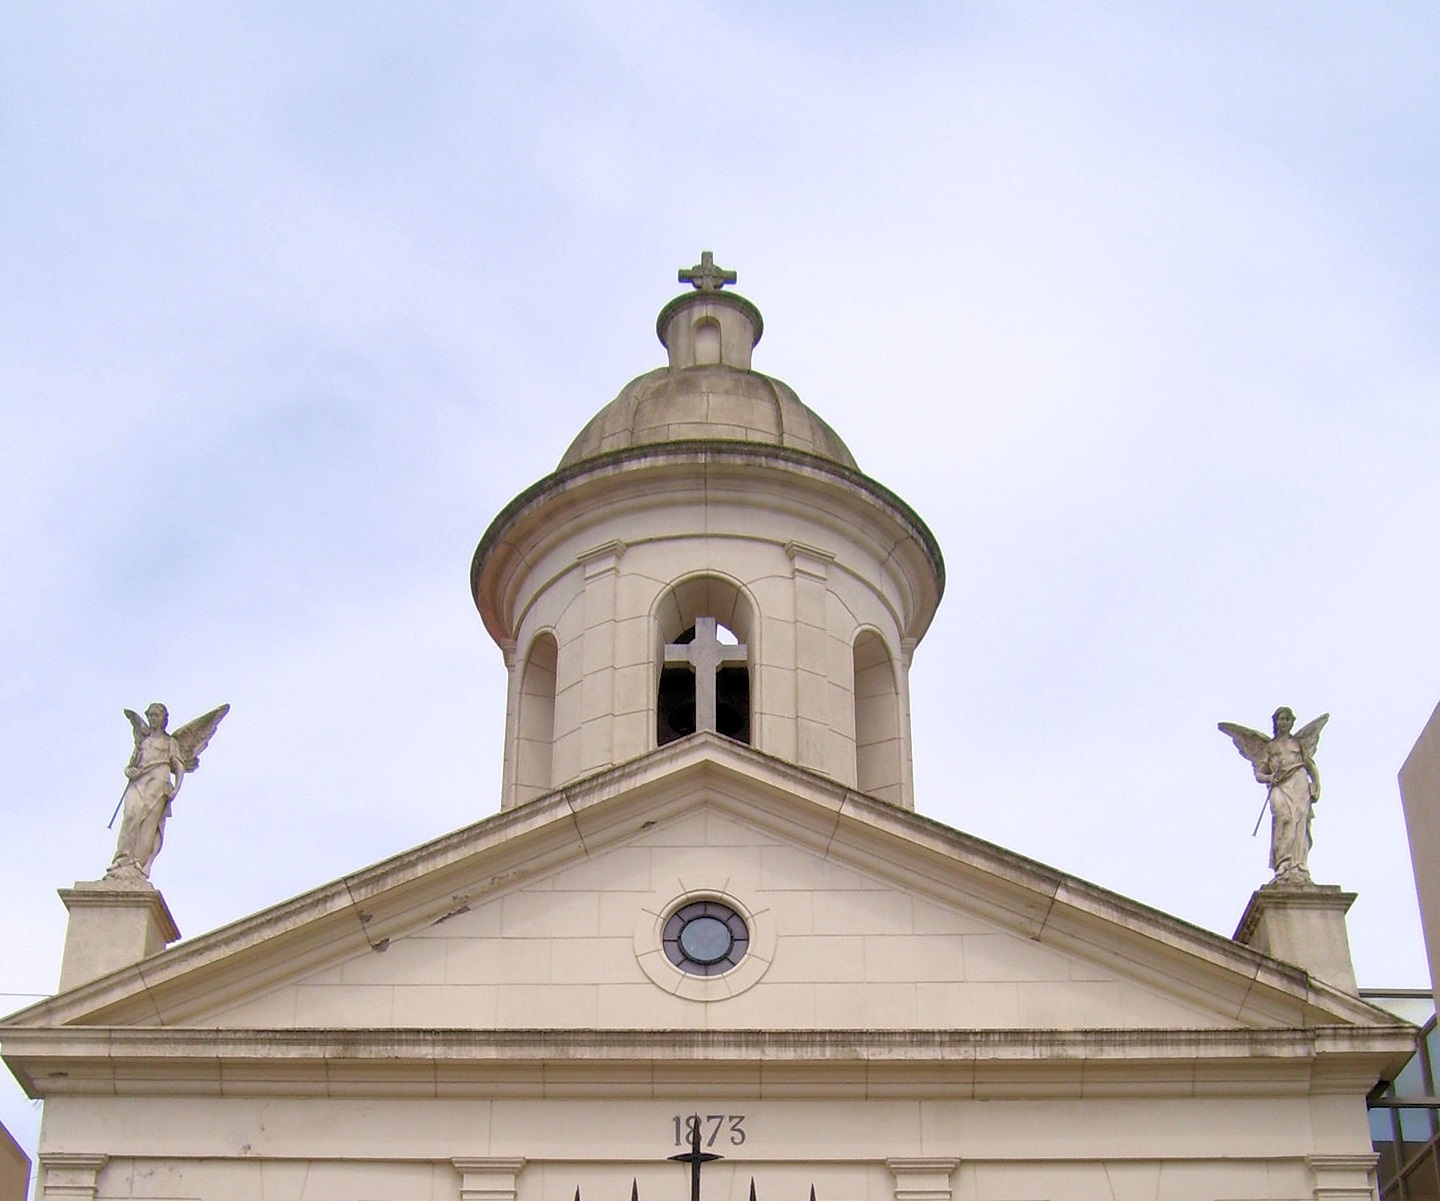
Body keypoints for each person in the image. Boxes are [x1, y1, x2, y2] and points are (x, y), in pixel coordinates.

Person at [1218, 706, 1329, 884]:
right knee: (1283, 818)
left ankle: (1298, 866)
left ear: (1292, 722)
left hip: (1299, 782)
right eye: (1280, 719)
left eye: (1287, 719)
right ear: (1275, 722)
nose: (1283, 722)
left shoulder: (1297, 744)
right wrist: (1270, 777)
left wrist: (1317, 784)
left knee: (1299, 823)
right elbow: (1259, 773)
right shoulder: (1270, 747)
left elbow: (1310, 765)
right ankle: (1283, 864)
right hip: (1280, 785)